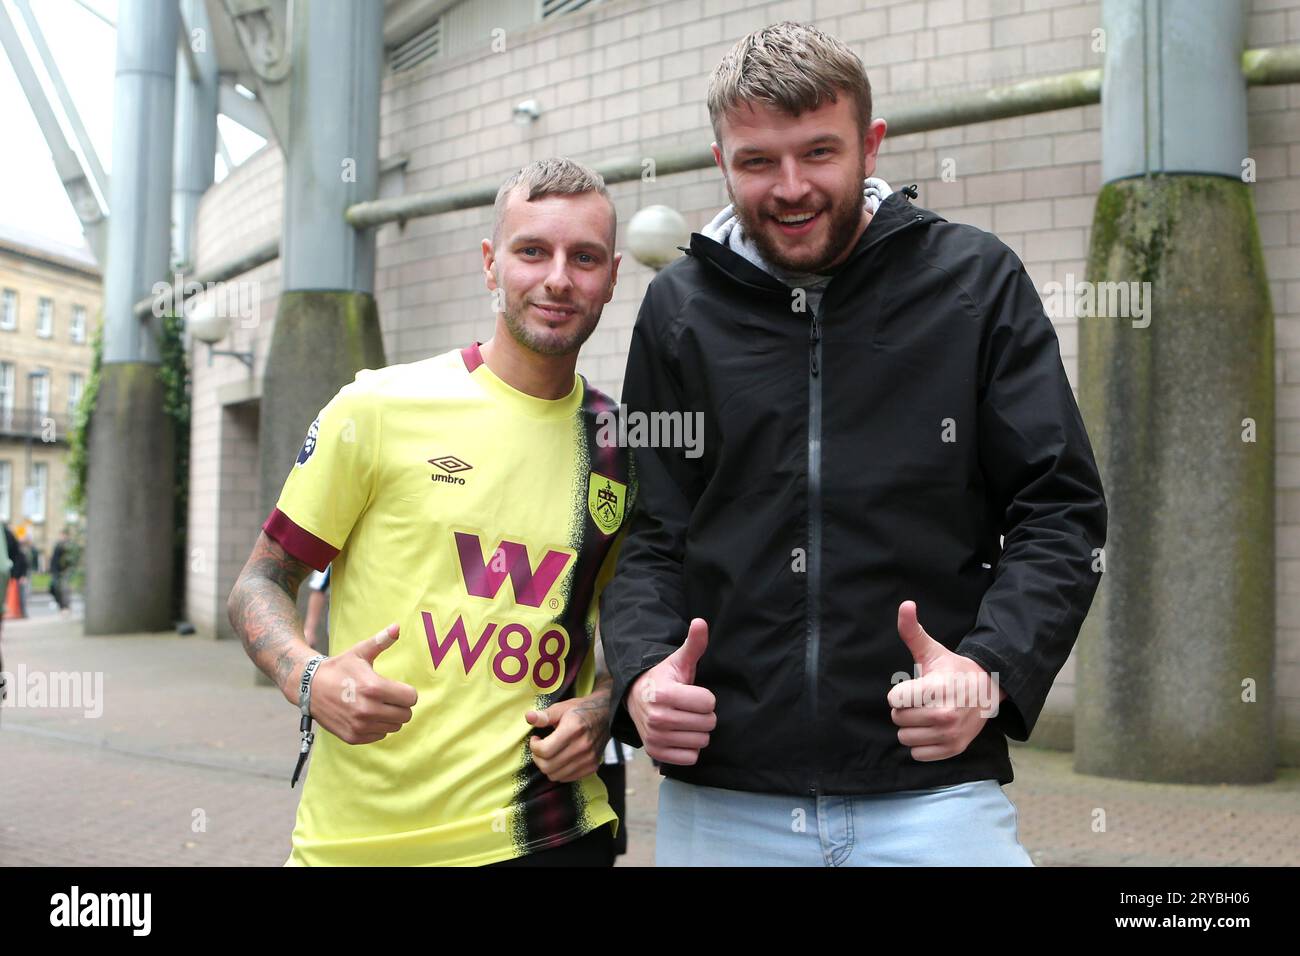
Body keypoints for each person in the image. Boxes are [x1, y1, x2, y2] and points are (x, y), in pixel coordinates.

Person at [600, 21, 1107, 866]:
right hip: (727, 796)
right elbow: (652, 533)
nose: (791, 187)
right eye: (758, 160)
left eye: (819, 153)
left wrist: (989, 669)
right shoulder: (678, 310)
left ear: (871, 145)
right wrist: (647, 671)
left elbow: (1059, 510)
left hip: (934, 787)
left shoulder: (975, 284)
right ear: (720, 159)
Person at [229, 157, 635, 867]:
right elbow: (259, 584)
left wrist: (605, 708)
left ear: (613, 274)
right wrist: (308, 675)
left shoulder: (621, 447)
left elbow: (641, 621)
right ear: (490, 264)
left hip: (549, 835)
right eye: (532, 250)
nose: (558, 278)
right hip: (359, 844)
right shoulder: (375, 408)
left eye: (585, 257)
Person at [50, 527, 74, 617]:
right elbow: (54, 559)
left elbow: (70, 560)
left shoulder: (68, 546)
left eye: (63, 535)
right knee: (55, 589)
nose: (61, 537)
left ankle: (66, 607)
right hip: (56, 571)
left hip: (65, 571)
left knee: (65, 589)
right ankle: (62, 607)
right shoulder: (58, 545)